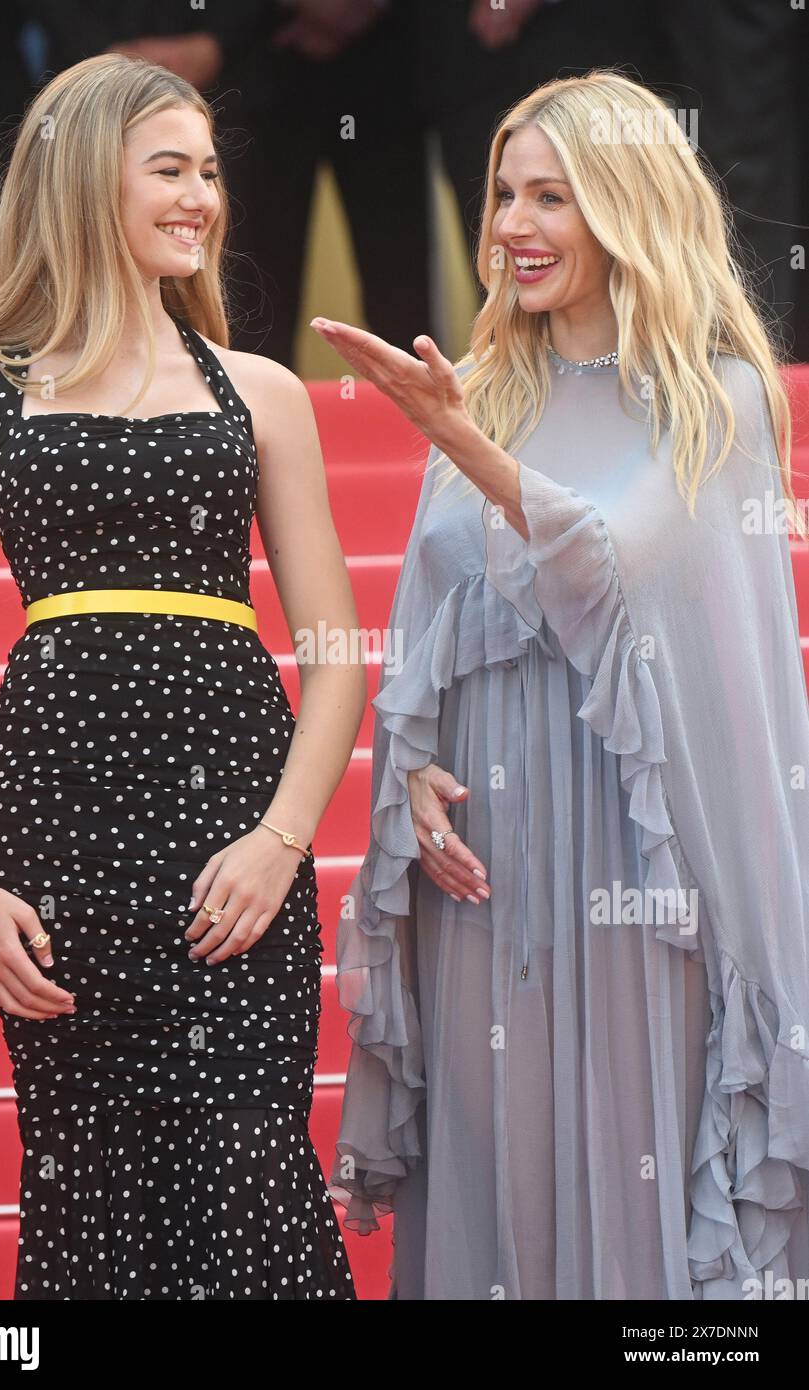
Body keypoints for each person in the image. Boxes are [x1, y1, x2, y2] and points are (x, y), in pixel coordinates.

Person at [313, 69, 809, 1300]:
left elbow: (611, 572)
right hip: (487, 875)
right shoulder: (489, 390)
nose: (512, 227)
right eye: (501, 194)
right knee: (502, 1184)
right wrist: (412, 769)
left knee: (630, 1185)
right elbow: (425, 623)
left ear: (629, 208)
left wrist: (459, 439)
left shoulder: (717, 404)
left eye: (554, 197)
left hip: (643, 878)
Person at [0, 53, 365, 1300]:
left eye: (210, 171)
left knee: (251, 1155)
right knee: (89, 1164)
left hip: (234, 820)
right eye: (169, 169)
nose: (202, 198)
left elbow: (336, 657)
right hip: (56, 817)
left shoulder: (262, 393)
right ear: (78, 179)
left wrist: (280, 841)